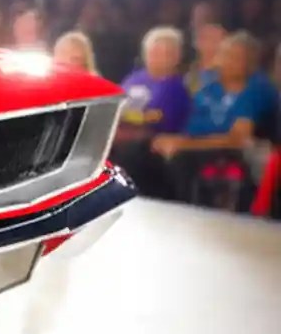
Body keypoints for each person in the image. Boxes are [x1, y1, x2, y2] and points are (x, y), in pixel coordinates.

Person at [154, 32, 277, 208]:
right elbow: (191, 125)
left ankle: (186, 215)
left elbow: (237, 140)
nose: (226, 62)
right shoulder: (210, 86)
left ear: (250, 64)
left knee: (182, 159)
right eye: (224, 55)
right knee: (148, 151)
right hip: (198, 144)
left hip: (235, 153)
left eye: (235, 57)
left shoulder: (256, 88)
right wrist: (173, 140)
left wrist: (184, 145)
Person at [111, 27, 192, 198]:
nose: (157, 58)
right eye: (153, 52)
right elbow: (115, 106)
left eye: (164, 53)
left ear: (176, 57)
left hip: (153, 142)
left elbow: (154, 118)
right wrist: (132, 116)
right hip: (123, 134)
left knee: (130, 151)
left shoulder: (175, 87)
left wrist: (128, 116)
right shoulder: (134, 78)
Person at [185, 20, 226, 94]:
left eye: (215, 39)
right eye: (206, 38)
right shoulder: (190, 76)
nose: (211, 44)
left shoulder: (230, 73)